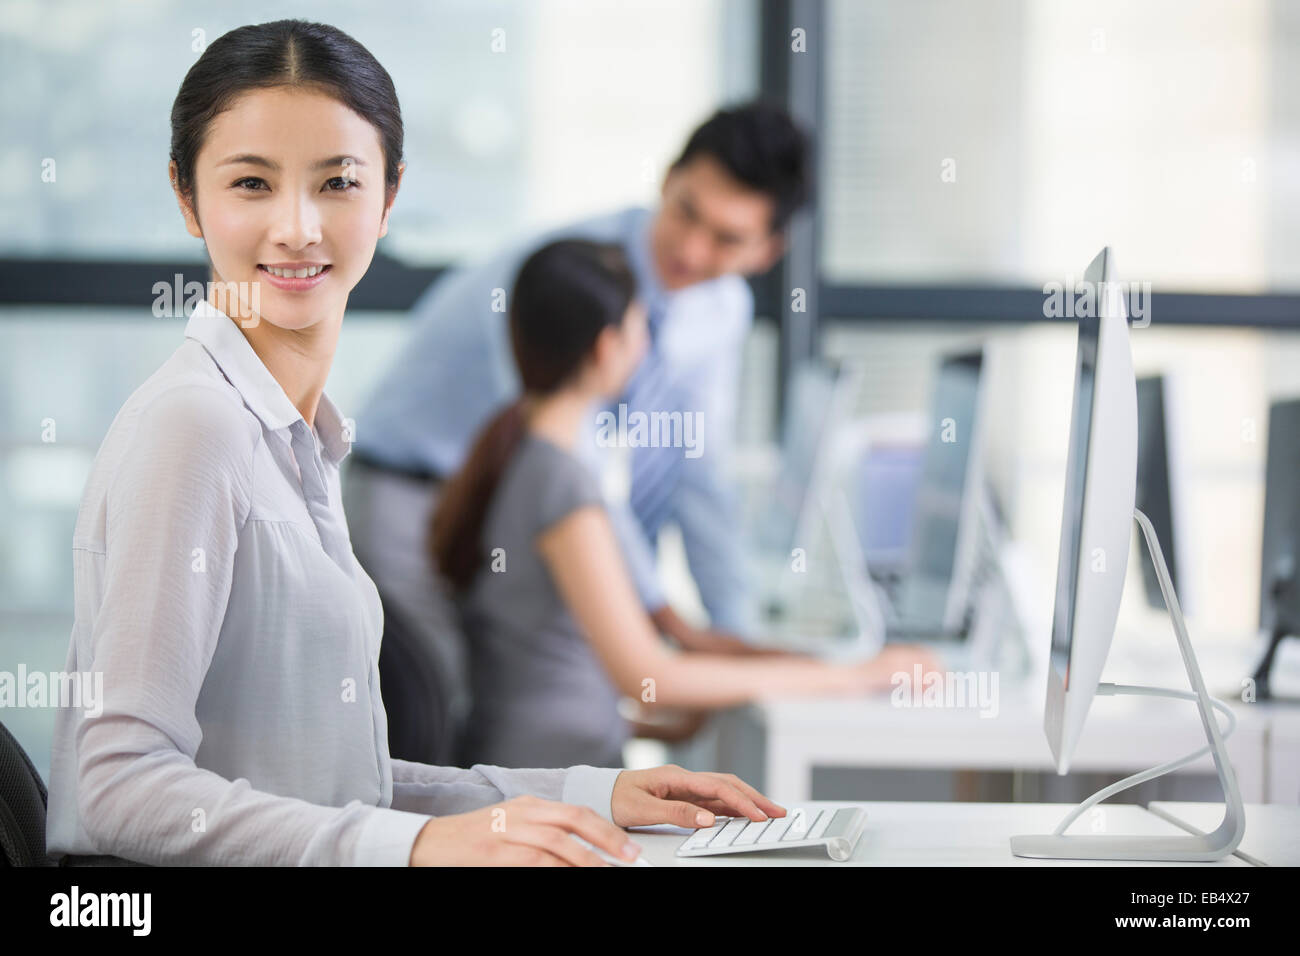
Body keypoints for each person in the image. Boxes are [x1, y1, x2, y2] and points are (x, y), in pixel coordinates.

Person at [44, 18, 785, 868]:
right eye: (251, 183)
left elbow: (328, 787)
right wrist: (418, 846)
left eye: (337, 183)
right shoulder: (195, 426)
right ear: (187, 198)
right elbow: (117, 789)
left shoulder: (300, 445)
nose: (297, 227)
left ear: (389, 198)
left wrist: (581, 794)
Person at [345, 104, 817, 711]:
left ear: (767, 251)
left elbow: (699, 478)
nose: (693, 251)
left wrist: (736, 638)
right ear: (668, 179)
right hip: (410, 487)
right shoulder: (571, 269)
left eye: (727, 239)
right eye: (687, 213)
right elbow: (571, 455)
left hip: (503, 502)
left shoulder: (720, 311)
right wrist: (663, 613)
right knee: (438, 698)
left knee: (536, 687)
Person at [432, 238, 942, 769]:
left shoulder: (522, 454)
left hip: (543, 766)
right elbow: (648, 677)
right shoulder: (561, 482)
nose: (644, 345)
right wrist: (856, 677)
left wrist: (683, 708)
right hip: (552, 785)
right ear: (608, 347)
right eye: (638, 327)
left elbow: (556, 668)